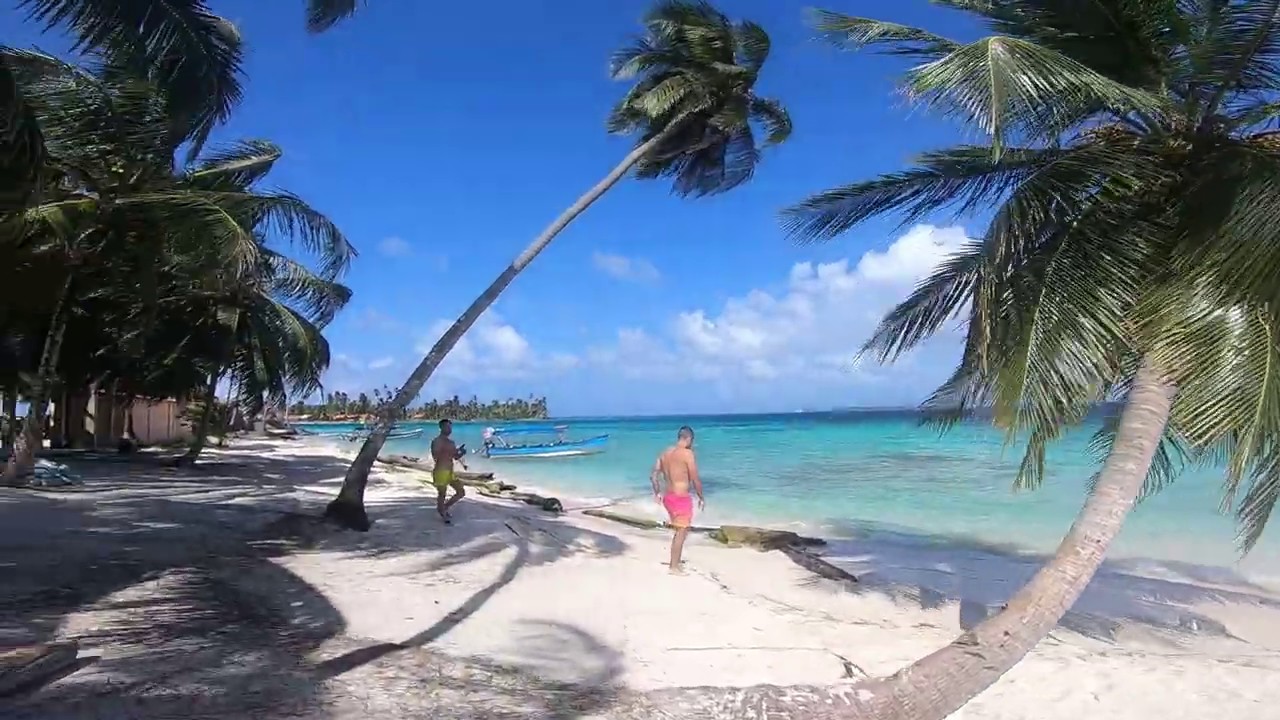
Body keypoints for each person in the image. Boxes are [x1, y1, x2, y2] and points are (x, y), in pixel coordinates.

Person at [650, 425, 704, 574]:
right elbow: (695, 479)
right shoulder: (687, 454)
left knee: (680, 531)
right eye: (692, 440)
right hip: (681, 498)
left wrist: (657, 493)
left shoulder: (665, 453)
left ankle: (676, 563)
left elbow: (653, 475)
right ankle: (674, 566)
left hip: (668, 498)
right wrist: (701, 497)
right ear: (688, 439)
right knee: (681, 532)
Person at [430, 419, 468, 524]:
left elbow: (455, 457)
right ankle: (443, 514)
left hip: (450, 471)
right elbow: (435, 456)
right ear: (441, 428)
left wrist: (461, 452)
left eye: (450, 427)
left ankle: (444, 508)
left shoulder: (451, 442)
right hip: (440, 470)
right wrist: (449, 451)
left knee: (461, 492)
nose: (449, 429)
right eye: (447, 427)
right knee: (442, 494)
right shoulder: (436, 441)